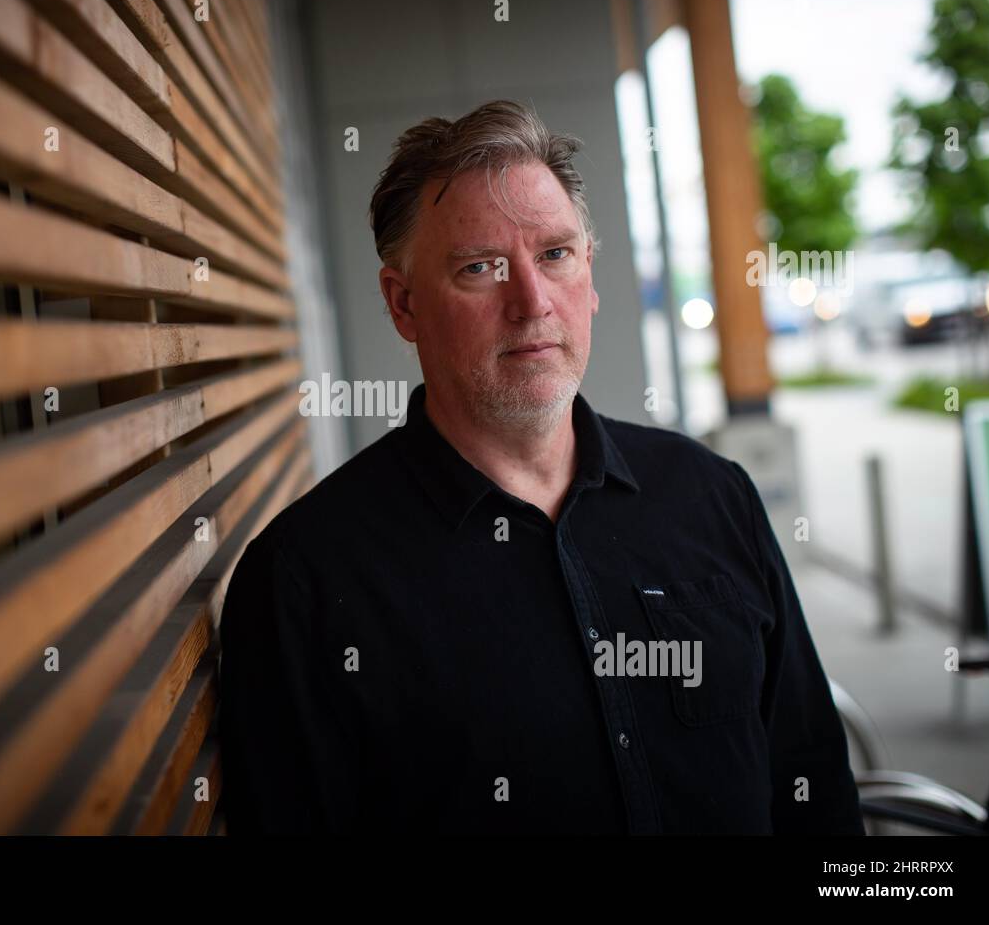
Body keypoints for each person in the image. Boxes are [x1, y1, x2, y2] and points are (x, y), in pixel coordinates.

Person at [217, 99, 864, 835]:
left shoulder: (712, 495)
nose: (531, 303)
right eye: (480, 268)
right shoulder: (307, 579)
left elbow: (811, 776)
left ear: (589, 276)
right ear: (404, 305)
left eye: (554, 254)